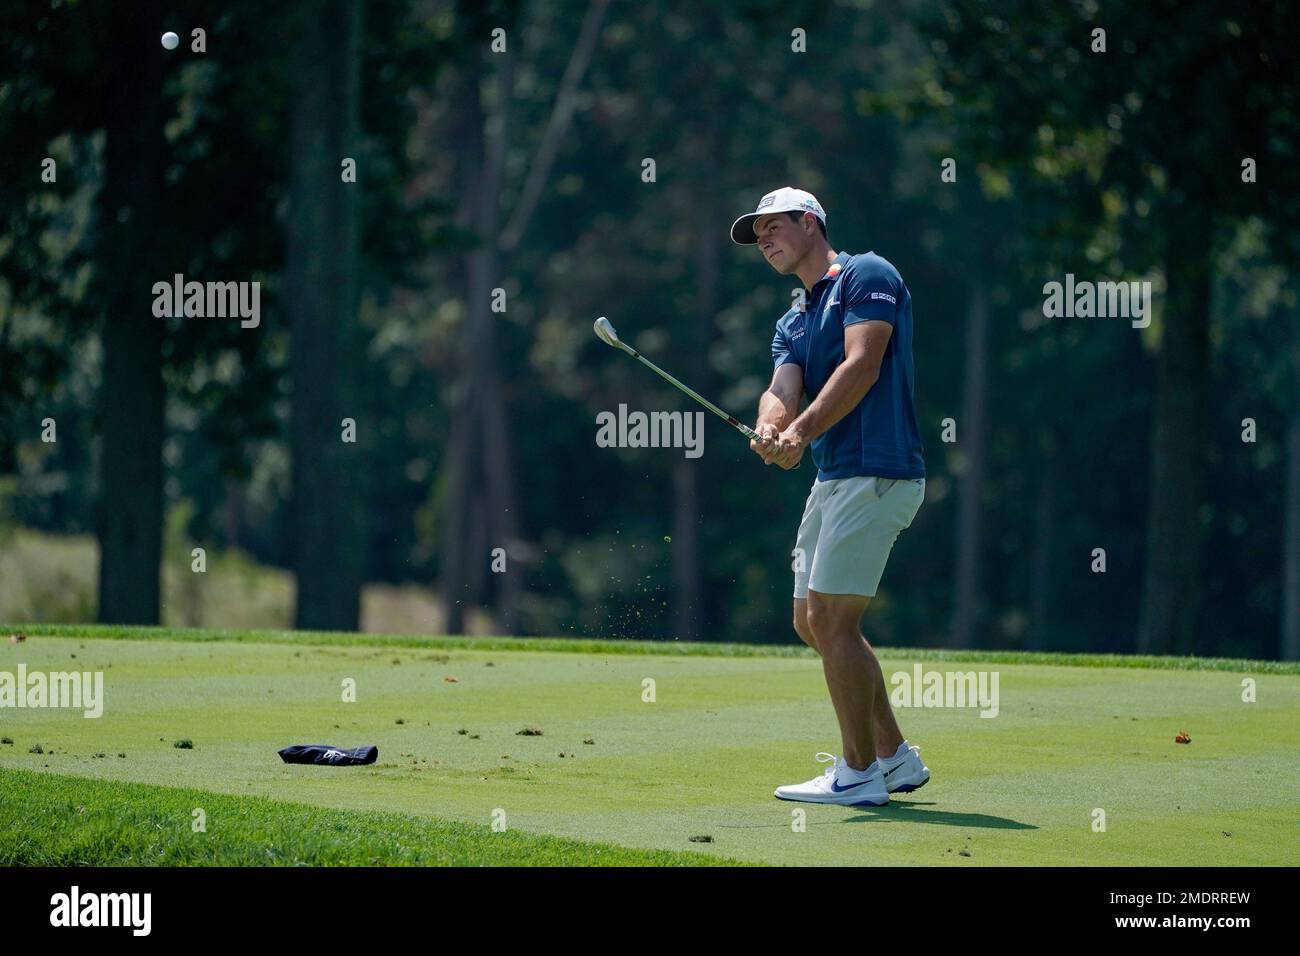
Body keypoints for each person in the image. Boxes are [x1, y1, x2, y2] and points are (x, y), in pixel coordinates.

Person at [731, 187, 930, 807]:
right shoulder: (794, 318)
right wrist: (771, 424)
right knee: (809, 621)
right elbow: (781, 387)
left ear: (810, 223)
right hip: (834, 478)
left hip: (879, 470)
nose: (763, 240)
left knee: (831, 620)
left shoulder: (867, 275)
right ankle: (895, 758)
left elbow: (862, 364)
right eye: (757, 234)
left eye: (772, 227)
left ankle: (858, 772)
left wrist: (800, 431)